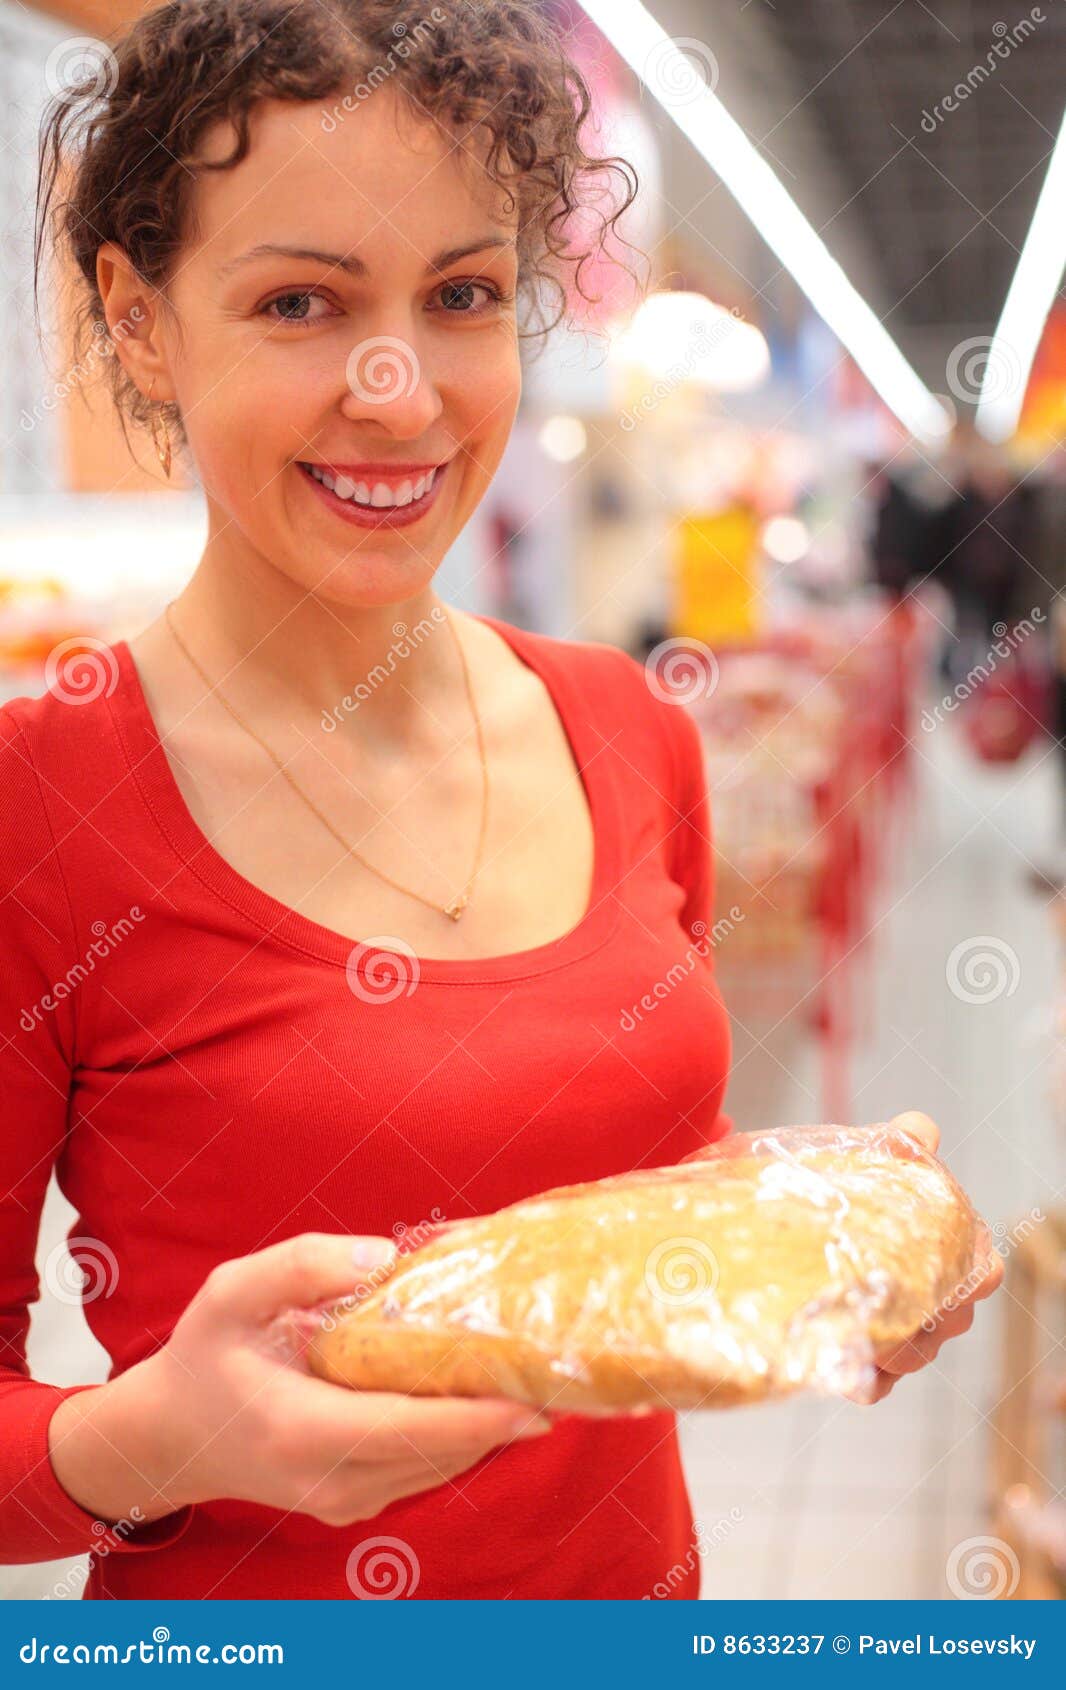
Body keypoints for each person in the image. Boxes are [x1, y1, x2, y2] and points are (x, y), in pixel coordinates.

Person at [1, 0, 998, 1601]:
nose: (397, 392)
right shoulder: (36, 801)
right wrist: (147, 1443)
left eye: (460, 294)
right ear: (136, 318)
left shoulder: (624, 727)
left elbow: (607, 1189)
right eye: (300, 301)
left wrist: (793, 1250)